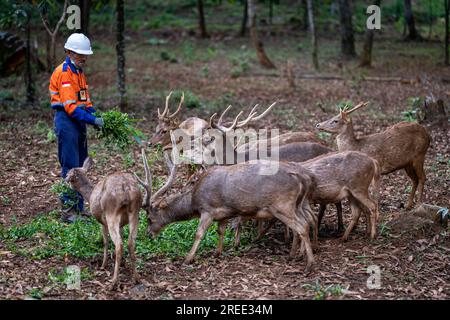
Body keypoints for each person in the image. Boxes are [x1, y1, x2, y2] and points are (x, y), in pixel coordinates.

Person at [49, 33, 104, 223]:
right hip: (67, 121)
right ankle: (69, 211)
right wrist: (92, 120)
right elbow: (71, 107)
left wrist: (96, 116)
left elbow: (85, 102)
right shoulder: (65, 73)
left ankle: (79, 208)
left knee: (81, 166)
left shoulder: (79, 72)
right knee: (70, 166)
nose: (84, 58)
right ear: (69, 52)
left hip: (78, 121)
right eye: (80, 54)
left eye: (85, 54)